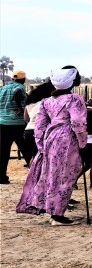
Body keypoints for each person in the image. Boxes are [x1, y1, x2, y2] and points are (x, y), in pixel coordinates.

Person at [16, 66, 86, 225]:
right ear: (71, 82)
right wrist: (82, 142)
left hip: (50, 138)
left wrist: (41, 145)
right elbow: (78, 123)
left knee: (52, 174)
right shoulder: (74, 99)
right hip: (68, 138)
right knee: (66, 175)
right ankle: (57, 215)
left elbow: (39, 126)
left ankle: (52, 210)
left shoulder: (46, 101)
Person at [0, 70, 28, 184]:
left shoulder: (2, 89)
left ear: (12, 78)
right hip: (18, 124)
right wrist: (21, 109)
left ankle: (1, 177)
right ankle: (35, 176)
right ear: (23, 79)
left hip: (3, 123)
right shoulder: (20, 88)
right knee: (26, 149)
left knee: (3, 150)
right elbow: (21, 99)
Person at [22, 81, 56, 169]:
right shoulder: (47, 102)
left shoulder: (29, 103)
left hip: (28, 131)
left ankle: (32, 175)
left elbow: (26, 118)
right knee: (44, 158)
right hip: (40, 132)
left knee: (34, 157)